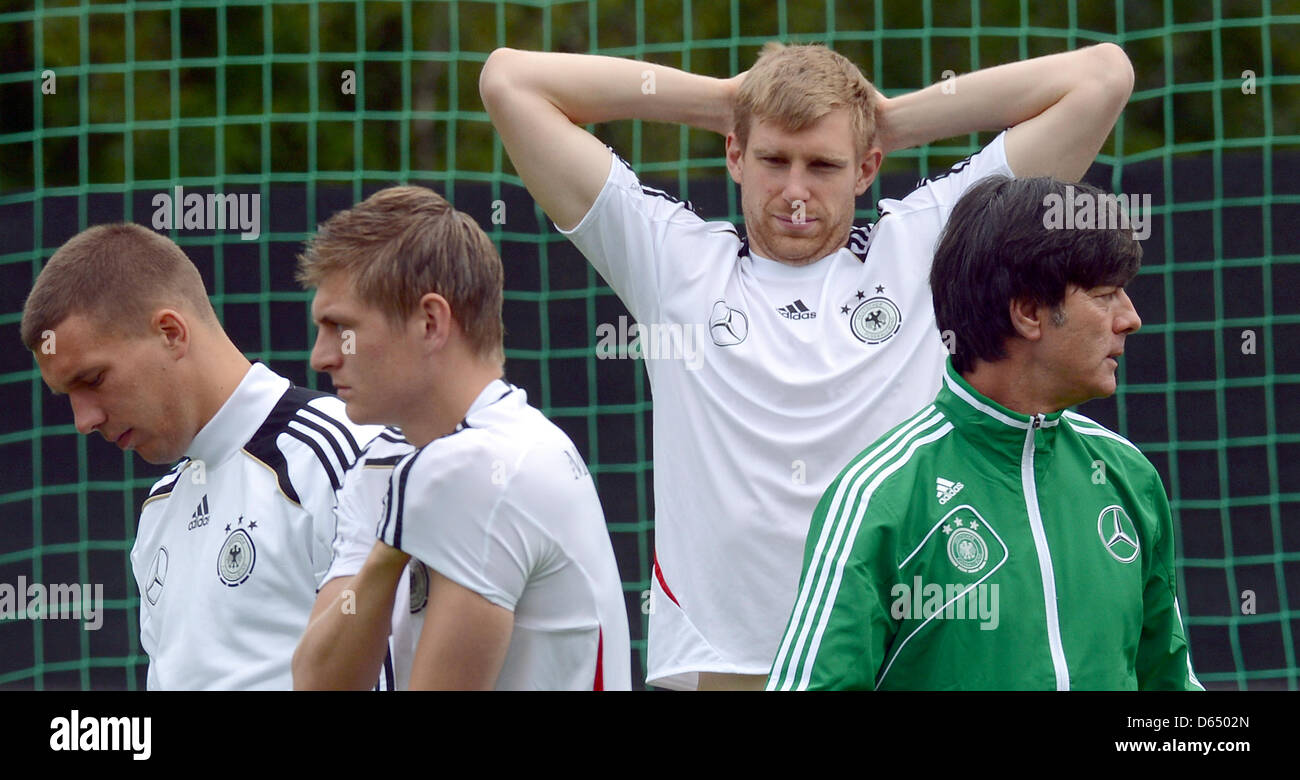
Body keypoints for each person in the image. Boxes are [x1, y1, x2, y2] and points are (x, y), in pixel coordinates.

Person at [479, 41, 1135, 689]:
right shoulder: (671, 260)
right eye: (773, 159)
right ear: (734, 155)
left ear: (867, 167)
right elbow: (511, 82)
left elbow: (1102, 77)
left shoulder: (923, 247)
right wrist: (726, 101)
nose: (795, 190)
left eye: (823, 164)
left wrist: (897, 116)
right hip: (732, 669)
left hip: (895, 661)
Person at [768, 176, 1203, 690]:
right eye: (1105, 294)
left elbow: (1169, 685)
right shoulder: (880, 496)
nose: (1131, 318)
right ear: (1027, 312)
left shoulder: (1126, 474)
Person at [291, 186, 631, 690]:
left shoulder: (484, 466)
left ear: (430, 322)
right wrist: (394, 543)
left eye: (341, 328)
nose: (321, 357)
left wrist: (405, 519)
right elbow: (320, 684)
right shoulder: (392, 461)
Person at [21, 223, 379, 689]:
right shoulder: (159, 511)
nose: (82, 420)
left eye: (92, 379)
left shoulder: (340, 453)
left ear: (170, 332)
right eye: (65, 394)